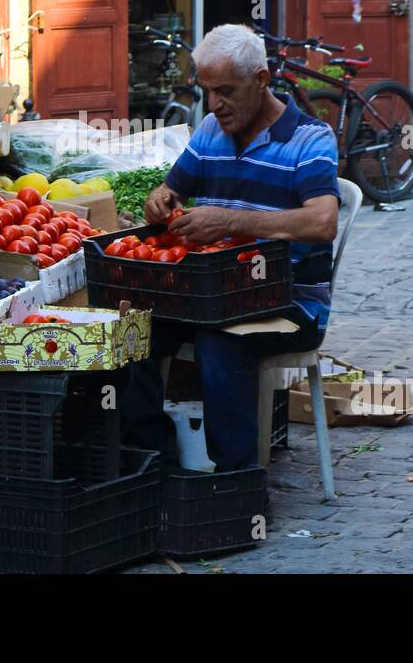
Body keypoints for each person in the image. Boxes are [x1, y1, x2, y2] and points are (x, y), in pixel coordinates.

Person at [119, 24, 340, 472]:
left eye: (226, 91)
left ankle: (235, 482)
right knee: (131, 334)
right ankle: (153, 466)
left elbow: (322, 221)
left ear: (261, 81)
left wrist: (232, 220)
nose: (215, 104)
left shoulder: (311, 140)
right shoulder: (209, 132)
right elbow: (168, 191)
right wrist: (159, 201)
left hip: (289, 300)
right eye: (207, 91)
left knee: (219, 343)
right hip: (211, 294)